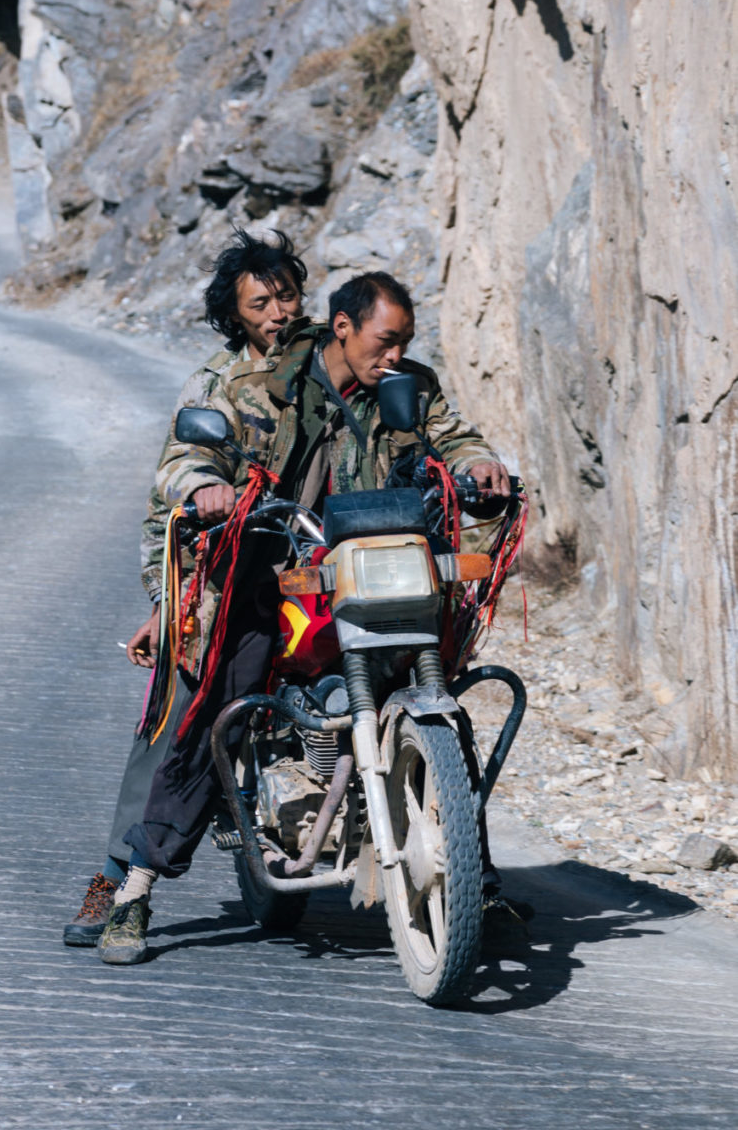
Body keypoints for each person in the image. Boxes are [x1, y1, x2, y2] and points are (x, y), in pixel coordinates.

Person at [97, 269, 510, 965]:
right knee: (220, 705)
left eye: (404, 342)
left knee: (438, 696)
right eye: (385, 341)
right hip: (272, 565)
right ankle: (133, 890)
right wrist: (205, 487)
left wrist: (480, 465)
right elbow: (187, 457)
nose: (394, 356)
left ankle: (474, 883)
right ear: (342, 328)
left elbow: (455, 438)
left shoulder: (410, 386)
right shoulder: (257, 385)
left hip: (376, 562)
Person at [61, 229, 307, 946]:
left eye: (286, 294)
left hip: (328, 562)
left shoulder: (329, 359)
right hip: (234, 569)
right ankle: (115, 878)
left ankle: (462, 873)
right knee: (176, 712)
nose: (277, 311)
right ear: (235, 316)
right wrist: (203, 490)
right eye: (260, 303)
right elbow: (175, 471)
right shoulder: (213, 383)